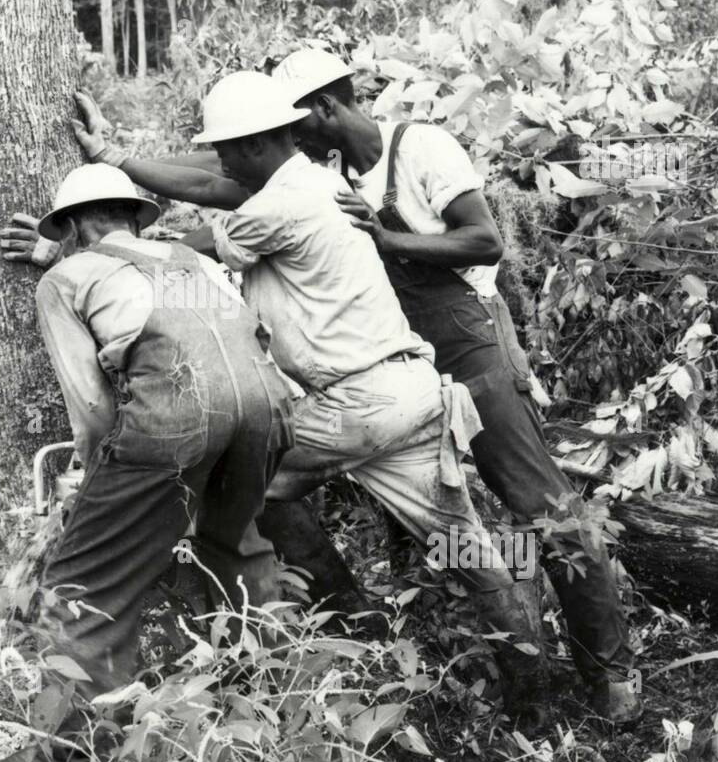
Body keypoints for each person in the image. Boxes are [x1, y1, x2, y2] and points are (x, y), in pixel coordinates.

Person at [21, 72, 553, 722]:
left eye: (226, 150)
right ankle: (537, 705)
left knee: (224, 476)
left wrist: (75, 261)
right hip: (413, 394)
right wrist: (116, 160)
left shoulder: (276, 206)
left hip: (351, 407)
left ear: (251, 148)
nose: (219, 163)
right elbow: (213, 188)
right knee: (473, 554)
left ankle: (330, 631)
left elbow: (183, 249)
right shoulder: (319, 181)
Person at [258, 48, 637, 721]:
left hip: (470, 349)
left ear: (325, 108)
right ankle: (494, 651)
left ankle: (609, 671)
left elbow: (483, 240)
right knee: (442, 519)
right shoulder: (335, 173)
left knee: (541, 507)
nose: (296, 143)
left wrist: (389, 241)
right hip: (407, 366)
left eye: (300, 126)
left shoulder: (420, 146)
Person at [28, 162, 296, 695]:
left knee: (84, 584)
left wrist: (98, 479)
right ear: (135, 218)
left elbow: (91, 406)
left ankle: (79, 743)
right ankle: (279, 697)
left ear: (74, 228)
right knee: (236, 545)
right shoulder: (193, 260)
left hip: (178, 417)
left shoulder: (63, 279)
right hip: (269, 406)